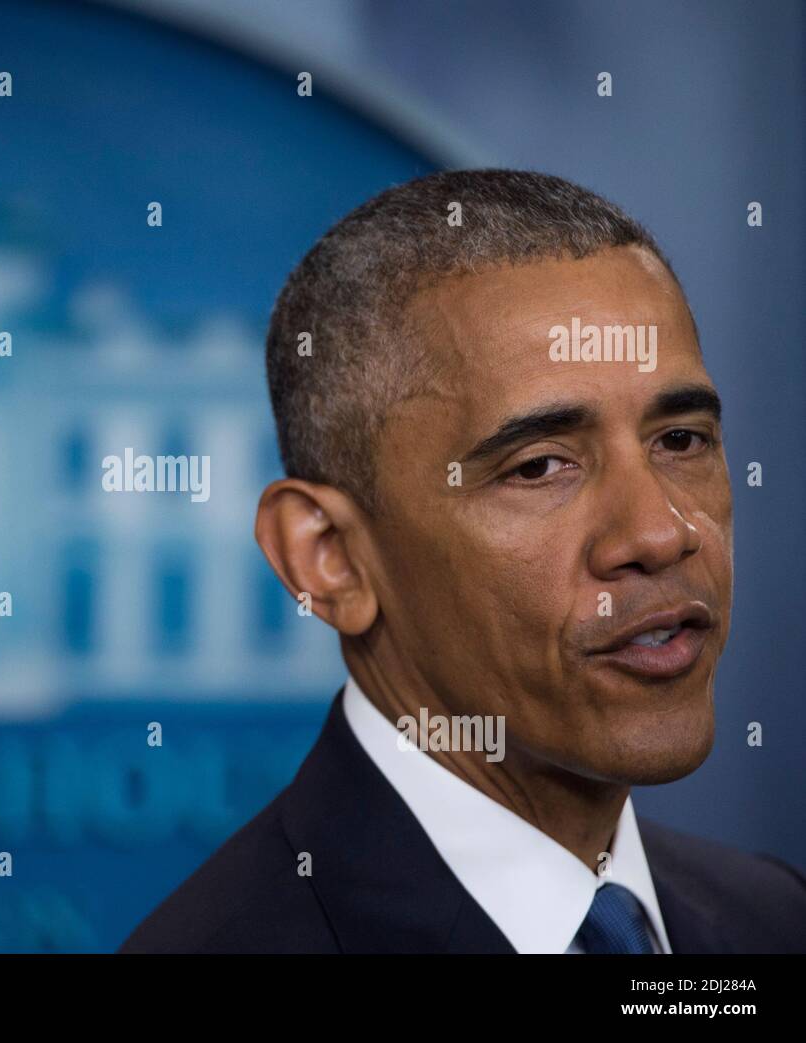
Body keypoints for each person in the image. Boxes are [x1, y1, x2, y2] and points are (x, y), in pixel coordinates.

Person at [119, 170, 806, 954]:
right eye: (541, 466)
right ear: (329, 559)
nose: (659, 533)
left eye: (679, 440)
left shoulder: (773, 919)